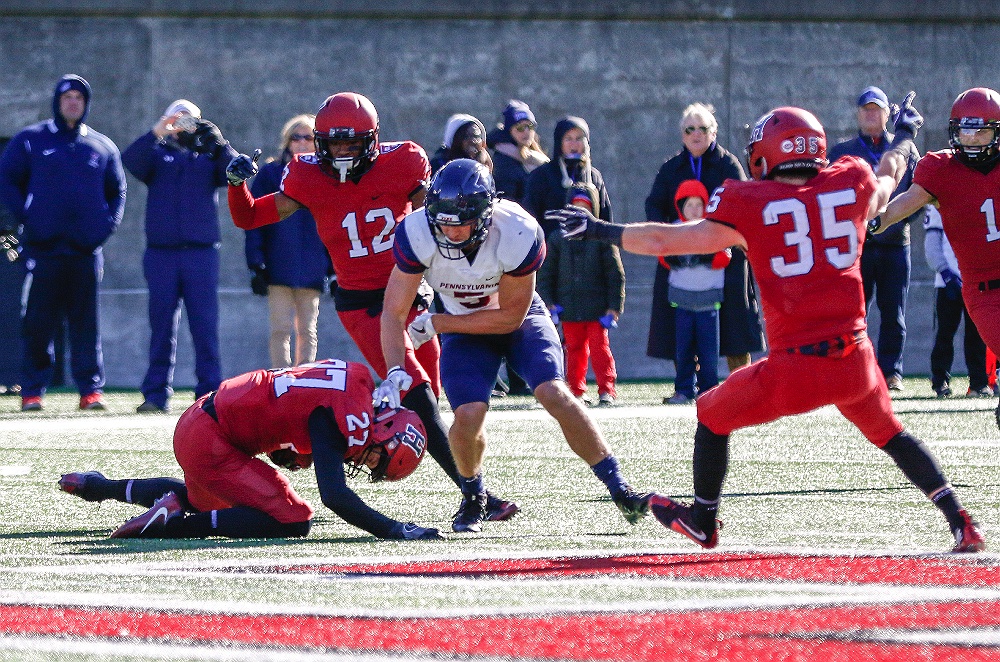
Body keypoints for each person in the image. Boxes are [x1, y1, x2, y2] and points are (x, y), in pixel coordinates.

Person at [549, 99, 986, 554]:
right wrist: (903, 138)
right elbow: (889, 177)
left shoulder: (750, 202)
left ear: (767, 154)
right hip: (855, 359)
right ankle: (960, 521)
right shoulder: (852, 179)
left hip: (795, 368)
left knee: (710, 413)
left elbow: (668, 238)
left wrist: (602, 230)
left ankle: (702, 518)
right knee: (892, 434)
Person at [224, 92, 518, 523]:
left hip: (410, 292)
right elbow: (250, 217)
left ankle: (362, 433)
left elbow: (434, 218)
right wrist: (236, 185)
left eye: (351, 143)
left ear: (372, 140)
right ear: (321, 143)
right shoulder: (307, 176)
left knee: (434, 398)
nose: (342, 152)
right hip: (363, 303)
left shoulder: (404, 162)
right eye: (334, 143)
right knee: (416, 390)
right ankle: (476, 495)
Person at [379, 158, 656, 534]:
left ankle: (619, 488)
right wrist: (397, 372)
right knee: (469, 414)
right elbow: (393, 314)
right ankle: (473, 494)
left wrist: (440, 322)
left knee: (554, 392)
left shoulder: (517, 229)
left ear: (486, 214)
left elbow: (509, 317)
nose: (453, 232)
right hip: (463, 330)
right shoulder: (416, 233)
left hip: (517, 319)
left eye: (461, 222)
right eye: (444, 222)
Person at [58, 359, 441, 540]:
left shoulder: (355, 379)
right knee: (294, 519)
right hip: (212, 441)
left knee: (206, 496)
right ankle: (174, 526)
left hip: (202, 421)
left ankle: (99, 486)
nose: (365, 461)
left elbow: (289, 412)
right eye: (375, 457)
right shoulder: (347, 416)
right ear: (383, 426)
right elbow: (334, 496)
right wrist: (395, 530)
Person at [0, 74, 126, 412]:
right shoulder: (31, 140)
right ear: (58, 102)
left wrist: (102, 228)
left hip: (85, 253)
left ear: (86, 105)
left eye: (79, 98)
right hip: (42, 251)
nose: (73, 103)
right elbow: (7, 179)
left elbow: (117, 193)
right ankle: (32, 392)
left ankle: (90, 391)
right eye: (67, 97)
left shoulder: (101, 147)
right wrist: (23, 216)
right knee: (38, 322)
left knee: (86, 323)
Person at [876, 87, 1000, 429]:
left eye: (981, 130)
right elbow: (908, 202)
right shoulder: (941, 168)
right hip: (985, 290)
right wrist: (878, 219)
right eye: (965, 130)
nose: (972, 138)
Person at [122, 99, 237, 413]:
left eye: (191, 120)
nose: (184, 125)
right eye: (179, 118)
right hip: (162, 255)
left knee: (204, 326)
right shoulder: (157, 156)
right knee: (161, 326)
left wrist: (218, 140)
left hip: (201, 254)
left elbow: (236, 173)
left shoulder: (207, 156)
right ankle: (156, 394)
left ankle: (209, 394)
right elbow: (131, 160)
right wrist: (159, 130)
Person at [644, 103, 764, 391]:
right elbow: (653, 204)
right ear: (682, 135)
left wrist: (723, 239)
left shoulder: (728, 165)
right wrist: (667, 237)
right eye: (690, 129)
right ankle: (686, 385)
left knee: (734, 323)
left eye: (702, 128)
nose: (696, 134)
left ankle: (741, 387)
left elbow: (744, 203)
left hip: (725, 258)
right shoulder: (671, 168)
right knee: (679, 325)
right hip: (681, 257)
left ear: (714, 132)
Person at [828, 86, 922, 392]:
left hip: (896, 244)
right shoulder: (841, 153)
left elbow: (920, 193)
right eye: (865, 109)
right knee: (855, 313)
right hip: (857, 247)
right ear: (857, 115)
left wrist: (896, 220)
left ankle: (891, 373)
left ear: (886, 114)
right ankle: (856, 372)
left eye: (876, 109)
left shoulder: (904, 148)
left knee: (894, 313)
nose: (871, 113)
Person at [244, 113, 332, 369]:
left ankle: (304, 380)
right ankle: (280, 380)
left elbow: (335, 222)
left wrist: (334, 269)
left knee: (308, 329)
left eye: (309, 137)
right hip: (277, 265)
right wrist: (256, 263)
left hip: (313, 267)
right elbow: (253, 220)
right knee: (280, 328)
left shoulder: (326, 175)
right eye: (297, 137)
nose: (302, 142)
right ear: (287, 140)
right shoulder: (270, 174)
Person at [536, 182, 624, 406]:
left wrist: (614, 308)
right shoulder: (557, 239)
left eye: (585, 207)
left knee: (600, 350)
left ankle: (607, 390)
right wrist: (550, 303)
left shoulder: (603, 239)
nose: (579, 211)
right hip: (569, 310)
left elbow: (615, 275)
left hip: (597, 311)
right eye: (575, 206)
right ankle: (575, 390)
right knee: (573, 352)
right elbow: (546, 275)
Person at [661, 179, 731, 405]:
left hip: (709, 303)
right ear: (680, 206)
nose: (693, 210)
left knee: (709, 353)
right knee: (683, 352)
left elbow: (726, 256)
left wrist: (710, 255)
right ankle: (683, 389)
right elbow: (662, 255)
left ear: (706, 205)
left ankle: (709, 390)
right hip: (682, 302)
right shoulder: (673, 229)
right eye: (688, 205)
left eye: (697, 205)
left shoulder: (714, 228)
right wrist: (672, 258)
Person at [923, 205, 990, 398]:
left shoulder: (980, 198)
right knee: (945, 333)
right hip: (948, 281)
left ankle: (979, 382)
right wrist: (945, 272)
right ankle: (940, 381)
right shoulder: (937, 202)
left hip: (976, 278)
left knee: (978, 334)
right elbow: (932, 244)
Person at [523, 116, 610, 242]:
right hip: (553, 252)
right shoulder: (542, 176)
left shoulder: (593, 177)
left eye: (579, 138)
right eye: (568, 139)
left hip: (589, 253)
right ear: (559, 143)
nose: (574, 144)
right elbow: (530, 218)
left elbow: (605, 218)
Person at [487, 100, 549, 204]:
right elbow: (507, 202)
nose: (526, 131)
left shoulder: (533, 156)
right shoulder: (504, 161)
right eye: (520, 128)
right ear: (509, 131)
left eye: (530, 126)